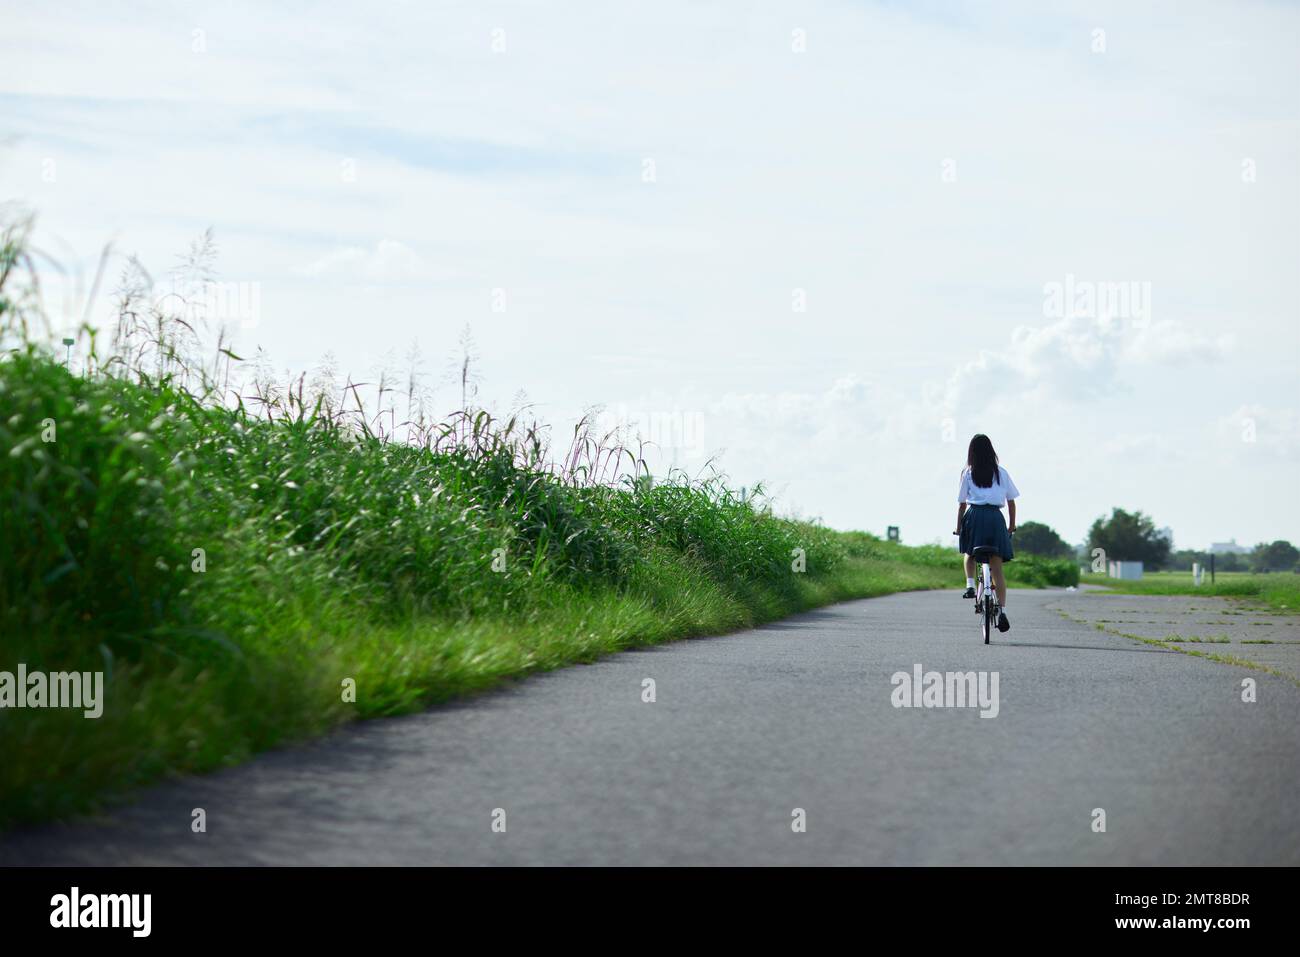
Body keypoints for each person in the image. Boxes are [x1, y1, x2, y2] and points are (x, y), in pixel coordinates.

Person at [954, 434, 1018, 632]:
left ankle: (970, 584)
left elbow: (962, 504)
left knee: (969, 552)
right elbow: (1011, 502)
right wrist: (1011, 525)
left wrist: (959, 527)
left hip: (975, 516)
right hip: (995, 519)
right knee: (997, 569)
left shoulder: (968, 473)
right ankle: (1003, 611)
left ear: (971, 452)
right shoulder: (1001, 473)